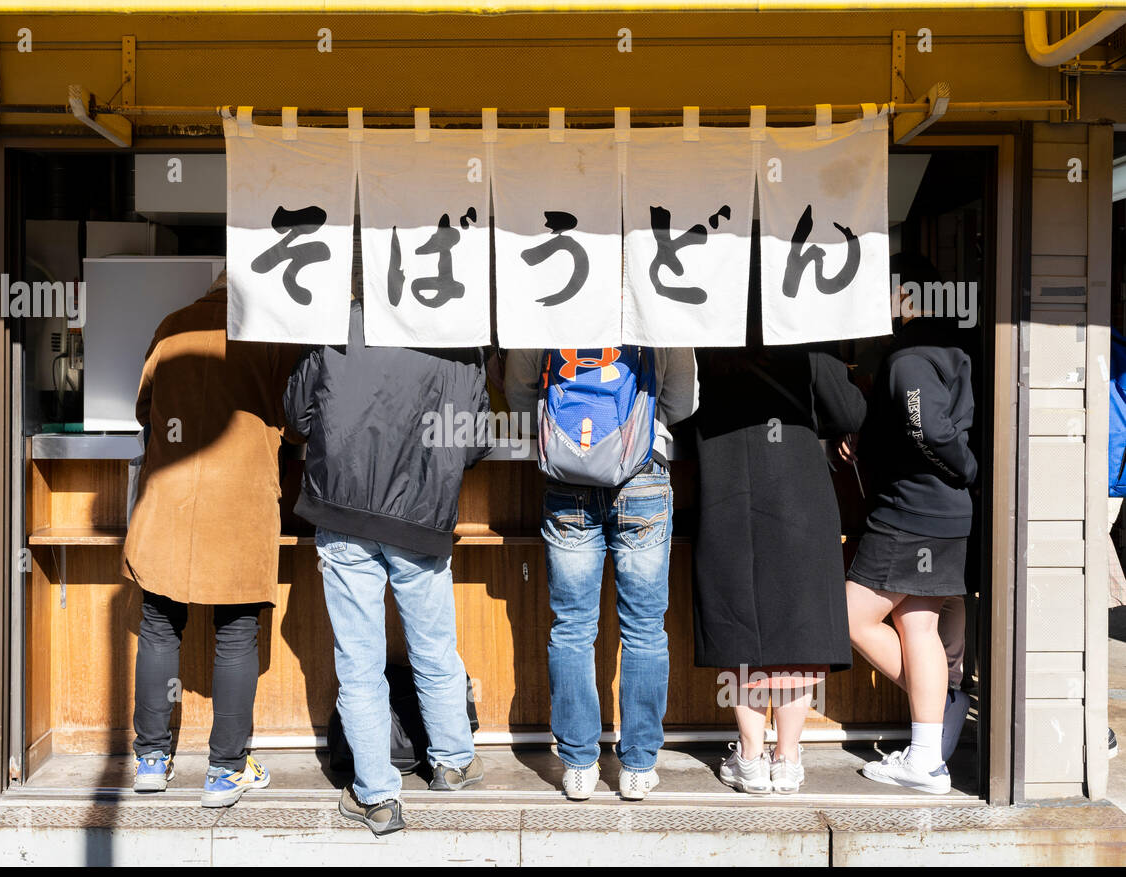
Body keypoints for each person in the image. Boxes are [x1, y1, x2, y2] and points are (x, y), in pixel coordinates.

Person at [284, 296, 489, 836]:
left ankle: (376, 797)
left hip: (343, 509)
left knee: (359, 659)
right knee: (433, 644)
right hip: (421, 517)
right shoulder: (459, 328)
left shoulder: (337, 322)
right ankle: (452, 760)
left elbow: (297, 417)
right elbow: (474, 439)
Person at [124, 269, 300, 808]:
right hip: (240, 505)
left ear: (212, 285)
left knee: (158, 625)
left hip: (169, 496)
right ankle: (225, 770)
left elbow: (143, 410)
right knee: (236, 633)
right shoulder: (270, 333)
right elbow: (296, 420)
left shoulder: (173, 326)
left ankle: (152, 759)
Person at [504, 346, 699, 800]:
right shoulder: (656, 298)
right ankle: (637, 766)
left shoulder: (548, 300)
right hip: (644, 474)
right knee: (645, 628)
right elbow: (683, 401)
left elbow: (518, 395)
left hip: (567, 478)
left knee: (571, 627)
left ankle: (577, 764)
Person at [692, 334, 866, 795]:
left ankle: (750, 758)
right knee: (799, 623)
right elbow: (847, 411)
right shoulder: (804, 329)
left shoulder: (708, 334)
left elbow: (682, 405)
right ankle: (786, 759)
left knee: (740, 619)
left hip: (726, 487)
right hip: (798, 490)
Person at [846, 254, 978, 795]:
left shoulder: (908, 357)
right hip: (943, 514)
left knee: (849, 616)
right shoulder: (953, 349)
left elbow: (927, 428)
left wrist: (963, 467)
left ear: (905, 296)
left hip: (911, 514)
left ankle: (938, 714)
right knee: (918, 627)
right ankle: (926, 753)